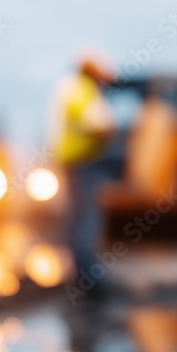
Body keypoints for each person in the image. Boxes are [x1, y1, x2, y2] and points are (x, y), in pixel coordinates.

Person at [50, 53, 116, 298]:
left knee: (76, 218)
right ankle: (89, 278)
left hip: (74, 161)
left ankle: (79, 274)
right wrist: (110, 131)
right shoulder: (82, 91)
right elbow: (98, 124)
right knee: (86, 220)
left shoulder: (69, 87)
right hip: (83, 162)